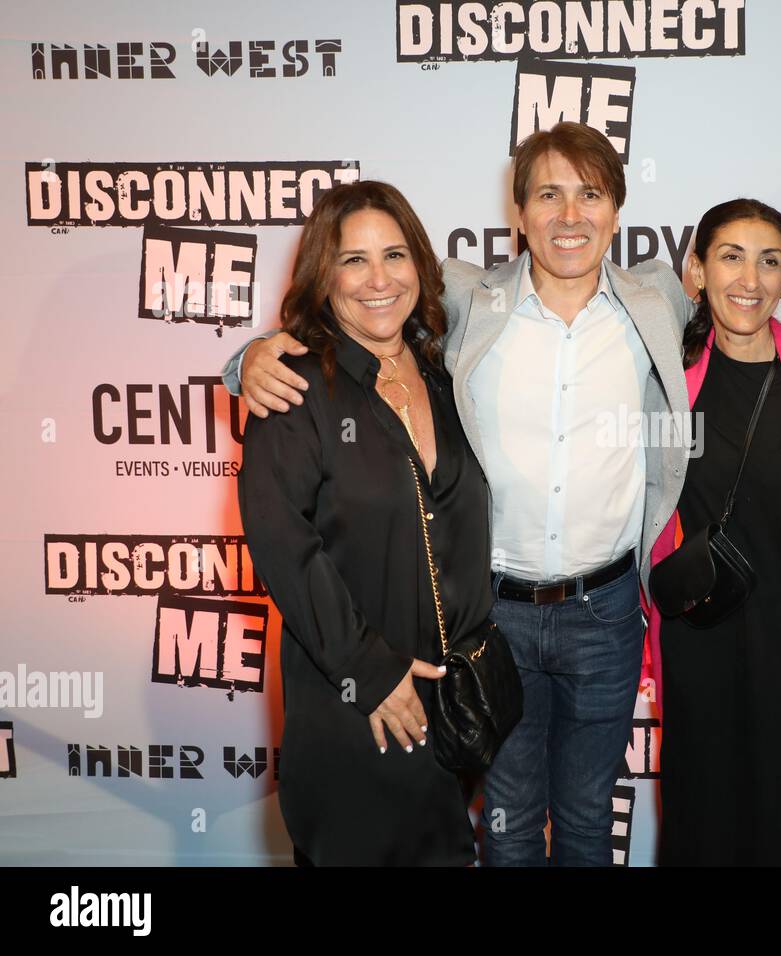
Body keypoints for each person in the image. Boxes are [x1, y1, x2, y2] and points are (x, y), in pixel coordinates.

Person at [224, 123, 693, 866]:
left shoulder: (660, 300)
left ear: (617, 208)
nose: (569, 216)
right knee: (503, 830)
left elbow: (750, 315)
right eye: (548, 194)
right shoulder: (472, 301)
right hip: (493, 622)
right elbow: (340, 336)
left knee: (585, 826)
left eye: (590, 194)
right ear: (518, 212)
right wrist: (245, 359)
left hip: (605, 615)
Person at [237, 180, 493, 866]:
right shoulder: (294, 387)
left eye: (395, 255)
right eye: (353, 260)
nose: (379, 280)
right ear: (323, 275)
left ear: (421, 266)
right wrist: (371, 672)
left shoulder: (446, 369)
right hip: (358, 708)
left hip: (448, 708)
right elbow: (284, 548)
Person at [646, 200, 781, 865]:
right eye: (731, 257)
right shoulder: (664, 379)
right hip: (703, 642)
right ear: (697, 271)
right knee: (707, 822)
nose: (750, 278)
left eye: (770, 261)